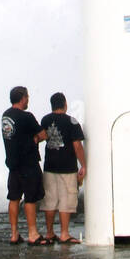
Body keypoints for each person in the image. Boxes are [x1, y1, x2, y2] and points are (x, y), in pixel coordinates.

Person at [2, 85, 48, 244]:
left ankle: (14, 234)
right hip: (28, 163)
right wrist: (35, 139)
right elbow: (43, 134)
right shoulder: (26, 116)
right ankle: (33, 233)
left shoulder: (6, 116)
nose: (28, 99)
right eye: (27, 97)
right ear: (22, 98)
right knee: (30, 198)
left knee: (14, 198)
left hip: (13, 163)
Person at [40, 92, 86, 244]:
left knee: (50, 200)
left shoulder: (45, 120)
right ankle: (64, 233)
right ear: (65, 104)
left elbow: (41, 137)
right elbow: (77, 145)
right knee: (66, 200)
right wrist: (84, 165)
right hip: (67, 166)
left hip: (49, 165)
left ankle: (49, 233)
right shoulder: (71, 122)